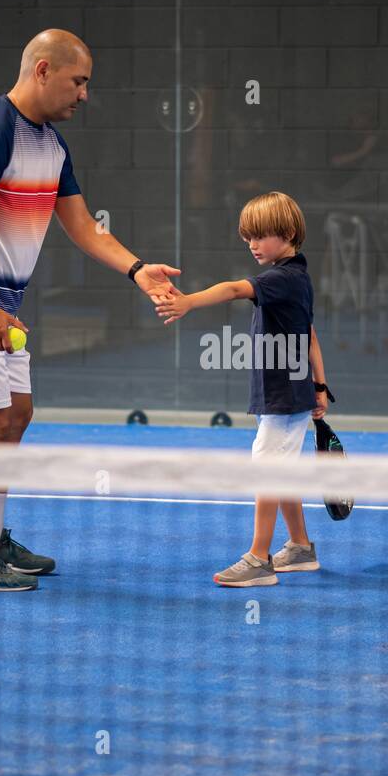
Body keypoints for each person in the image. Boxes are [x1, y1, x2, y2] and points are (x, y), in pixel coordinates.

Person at [0, 28, 180, 591]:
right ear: (41, 70)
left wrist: (137, 269)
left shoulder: (53, 146)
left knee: (17, 413)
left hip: (0, 308)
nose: (84, 94)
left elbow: (82, 225)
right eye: (78, 81)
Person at [155, 191, 331, 587]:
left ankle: (258, 559)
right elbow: (311, 335)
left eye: (260, 235)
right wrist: (320, 386)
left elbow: (233, 289)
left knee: (268, 470)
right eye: (247, 236)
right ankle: (300, 548)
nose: (251, 244)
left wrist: (188, 302)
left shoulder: (282, 278)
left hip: (285, 399)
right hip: (288, 396)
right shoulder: (297, 278)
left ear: (286, 233)